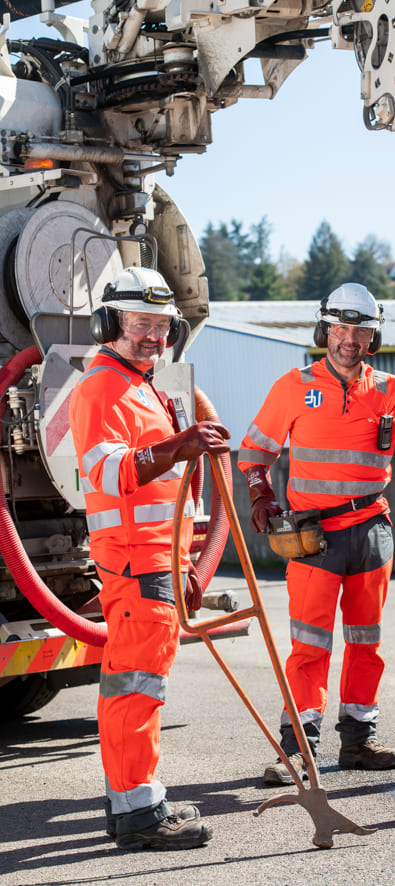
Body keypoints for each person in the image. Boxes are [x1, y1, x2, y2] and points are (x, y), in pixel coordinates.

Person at [238, 282, 395, 785]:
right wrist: (259, 494)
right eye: (340, 329)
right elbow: (254, 452)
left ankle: (358, 741)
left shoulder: (390, 391)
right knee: (309, 645)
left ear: (373, 338)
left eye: (360, 332)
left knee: (365, 642)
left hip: (371, 530)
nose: (349, 340)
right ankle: (299, 749)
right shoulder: (293, 387)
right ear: (325, 331)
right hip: (312, 536)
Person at [70, 267, 231, 850]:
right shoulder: (102, 388)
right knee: (137, 688)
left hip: (155, 563)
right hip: (137, 566)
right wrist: (179, 445)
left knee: (133, 685)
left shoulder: (140, 386)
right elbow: (108, 471)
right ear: (109, 323)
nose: (154, 336)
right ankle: (140, 813)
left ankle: (131, 803)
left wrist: (185, 563)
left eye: (163, 325)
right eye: (141, 323)